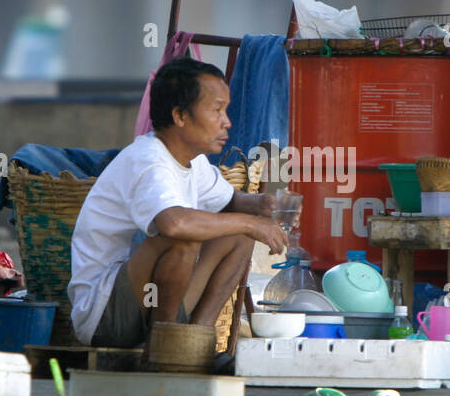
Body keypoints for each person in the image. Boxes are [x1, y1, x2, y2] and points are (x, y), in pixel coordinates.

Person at [68, 57, 288, 348]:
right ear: (180, 116)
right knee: (182, 239)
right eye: (217, 109)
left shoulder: (191, 162)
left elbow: (232, 201)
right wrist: (253, 222)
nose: (227, 122)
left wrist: (264, 206)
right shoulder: (148, 160)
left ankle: (194, 344)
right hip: (104, 315)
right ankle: (164, 348)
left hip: (148, 302)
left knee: (240, 237)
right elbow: (174, 223)